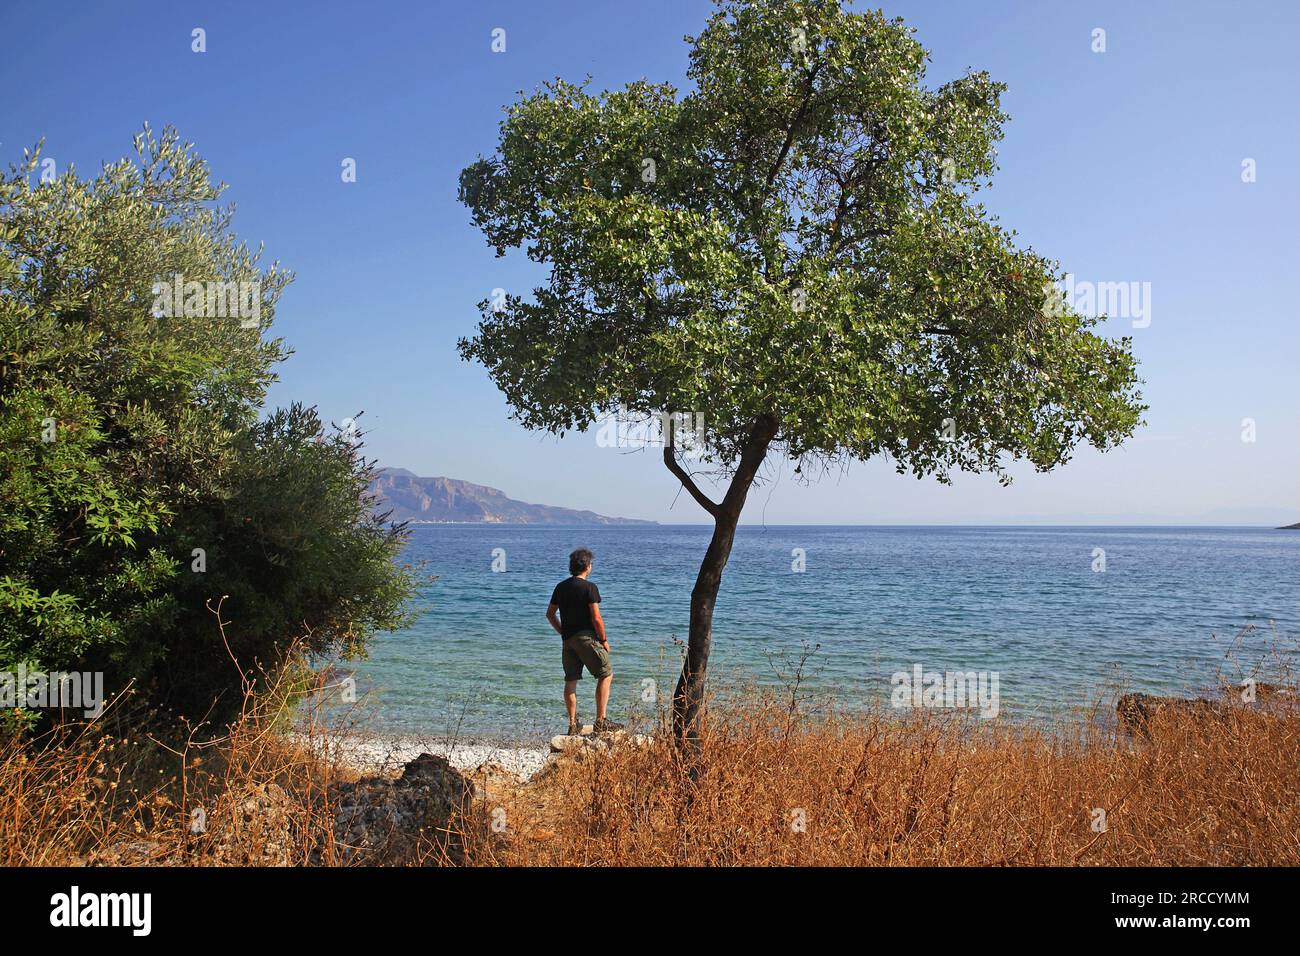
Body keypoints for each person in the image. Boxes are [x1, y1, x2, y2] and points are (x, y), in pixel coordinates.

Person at [546, 547, 623, 735]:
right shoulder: (590, 587)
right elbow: (596, 618)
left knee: (571, 680)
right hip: (587, 638)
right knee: (606, 674)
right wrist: (604, 640)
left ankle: (572, 725)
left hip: (568, 641)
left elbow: (550, 615)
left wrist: (563, 632)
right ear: (587, 566)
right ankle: (600, 721)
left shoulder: (560, 587)